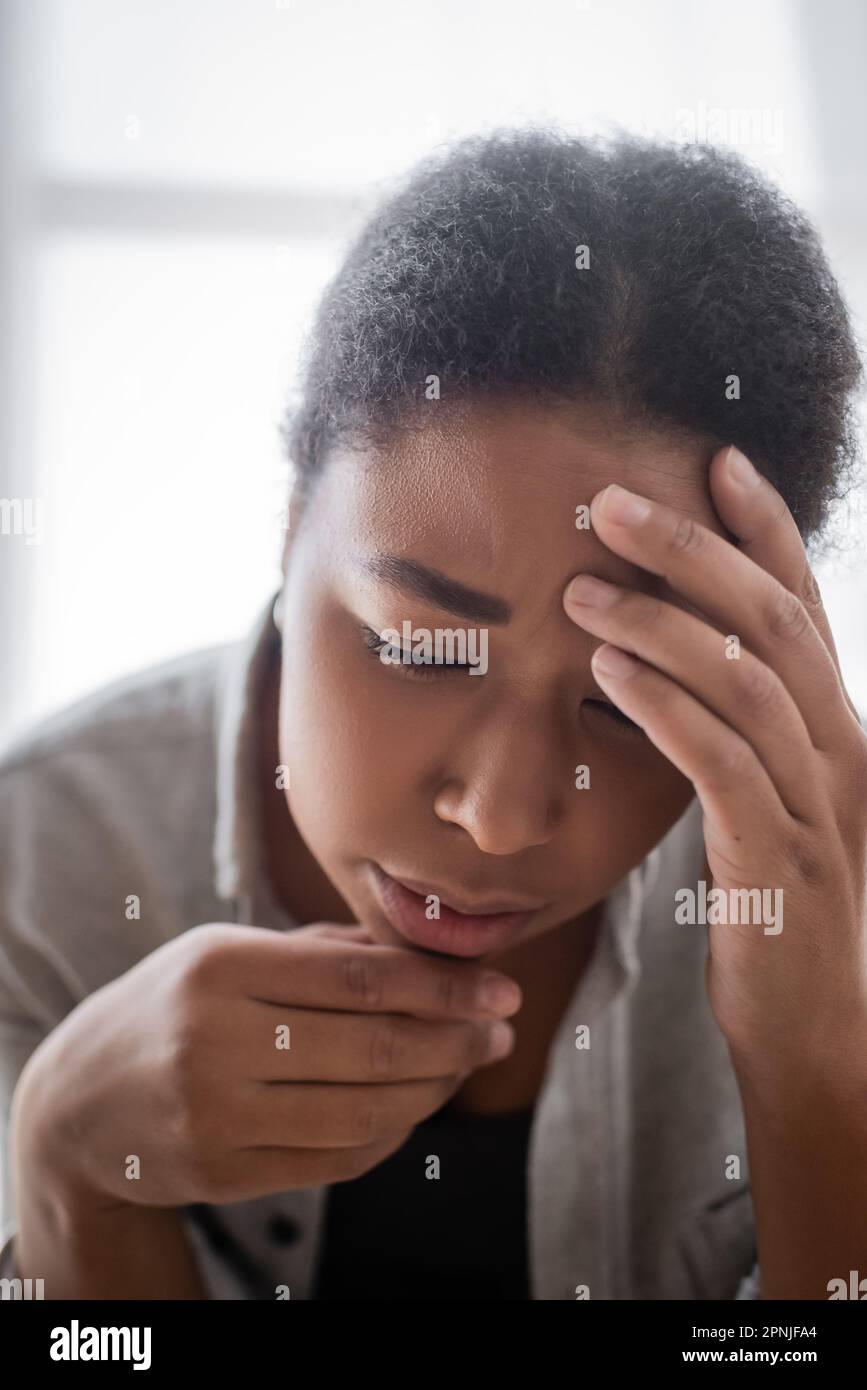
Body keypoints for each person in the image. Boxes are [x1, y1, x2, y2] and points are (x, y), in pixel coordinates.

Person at [2, 127, 866, 1301]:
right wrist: (67, 1173)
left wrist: (818, 1070)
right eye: (419, 646)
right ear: (293, 518)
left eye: (629, 703)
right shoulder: (38, 874)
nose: (505, 819)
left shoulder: (827, 905)